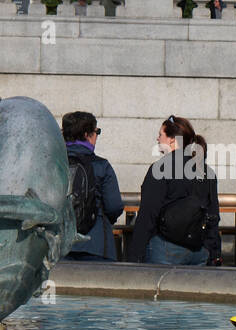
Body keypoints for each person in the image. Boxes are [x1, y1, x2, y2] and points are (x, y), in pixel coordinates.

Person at [130, 115, 221, 266]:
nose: (157, 139)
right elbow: (213, 215)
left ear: (172, 139)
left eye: (160, 135)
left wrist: (135, 256)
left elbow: (148, 215)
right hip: (199, 250)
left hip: (165, 248)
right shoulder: (206, 171)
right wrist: (214, 252)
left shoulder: (160, 168)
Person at [61, 111, 124, 262]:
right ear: (87, 134)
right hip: (96, 244)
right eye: (97, 132)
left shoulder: (54, 164)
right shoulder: (102, 166)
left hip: (59, 245)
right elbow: (114, 206)